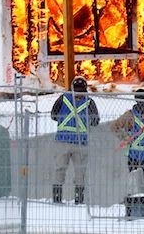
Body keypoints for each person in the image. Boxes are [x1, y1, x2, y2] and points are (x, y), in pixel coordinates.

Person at [50, 75, 100, 204]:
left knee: (59, 170)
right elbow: (95, 121)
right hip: (80, 142)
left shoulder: (63, 98)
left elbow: (53, 115)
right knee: (80, 173)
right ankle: (79, 199)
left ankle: (57, 199)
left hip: (62, 140)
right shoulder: (89, 102)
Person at [112, 89, 144, 212]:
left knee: (136, 184)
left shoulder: (130, 114)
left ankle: (142, 205)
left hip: (136, 155)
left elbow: (114, 127)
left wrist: (124, 137)